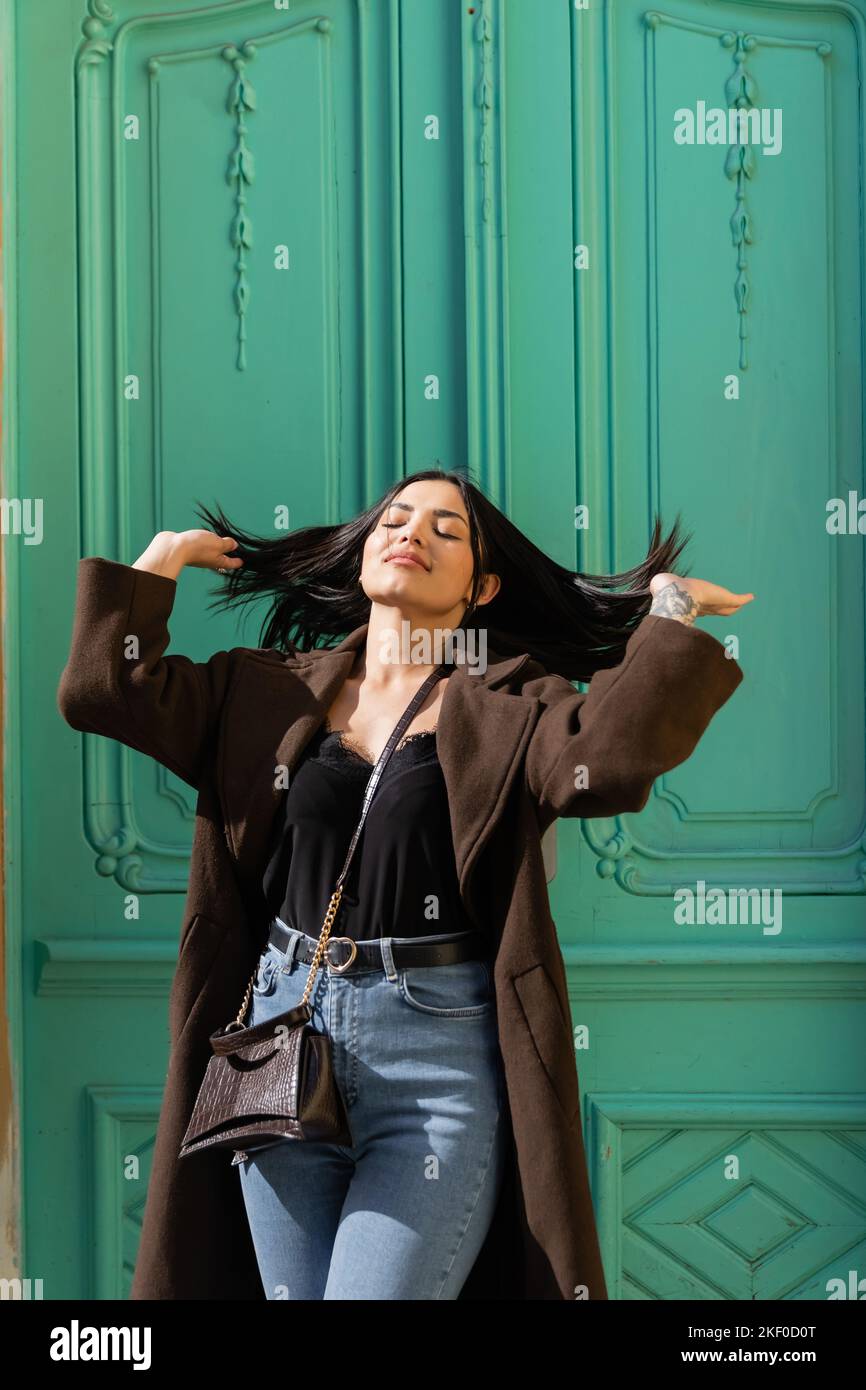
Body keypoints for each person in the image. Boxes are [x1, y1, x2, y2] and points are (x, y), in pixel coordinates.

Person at [57, 467, 752, 1299]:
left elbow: (600, 763)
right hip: (280, 1044)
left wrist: (668, 616)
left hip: (435, 1063)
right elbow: (103, 691)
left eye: (446, 530)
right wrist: (160, 562)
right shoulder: (267, 688)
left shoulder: (508, 702)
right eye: (395, 519)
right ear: (363, 558)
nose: (411, 533)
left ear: (482, 585)